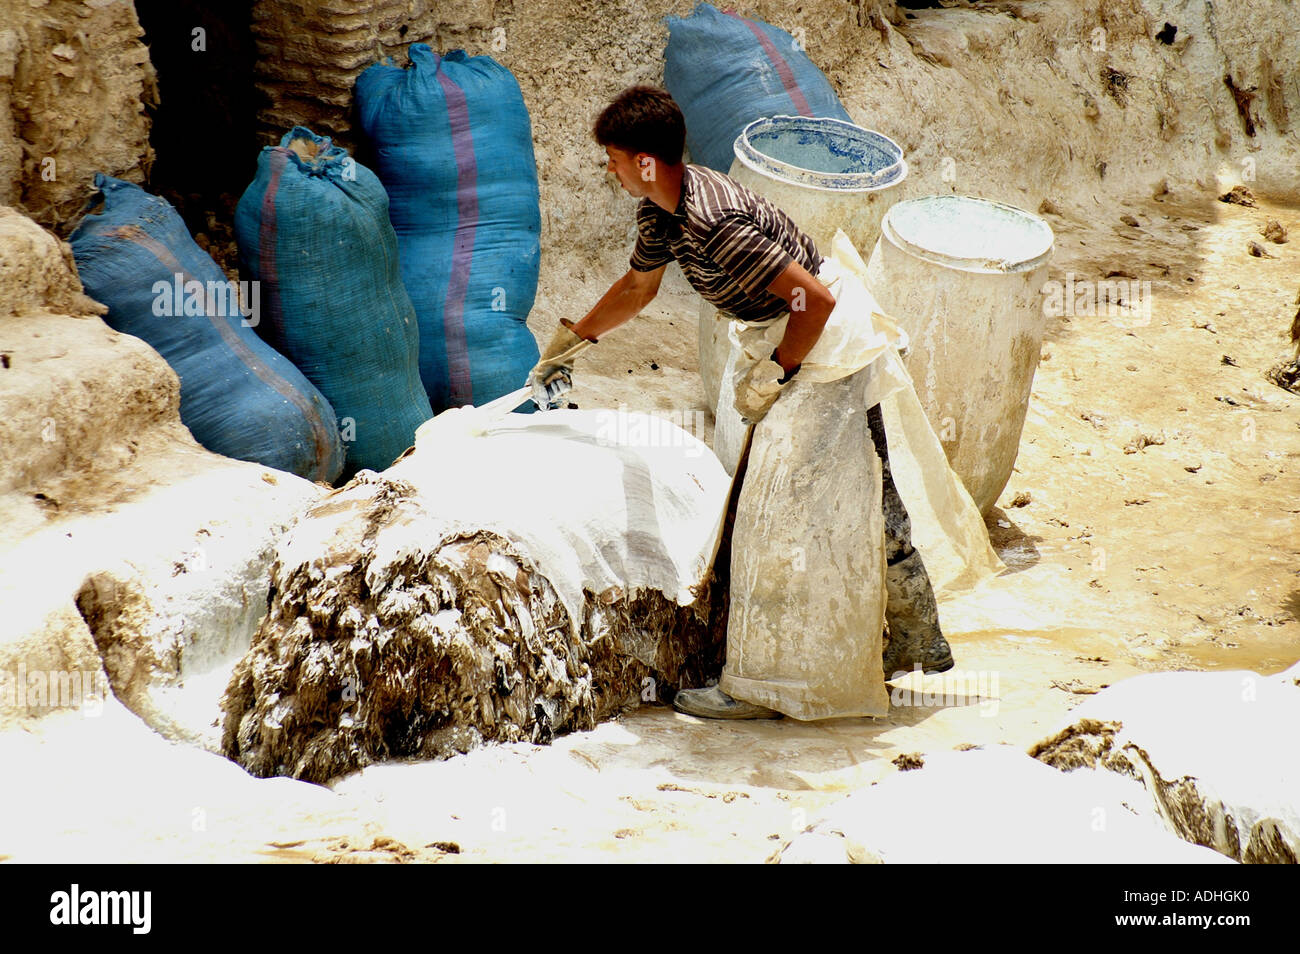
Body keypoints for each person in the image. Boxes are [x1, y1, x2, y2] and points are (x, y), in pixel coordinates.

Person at [528, 86, 952, 719]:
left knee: (778, 518)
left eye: (613, 157)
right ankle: (914, 642)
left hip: (819, 350)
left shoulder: (714, 224)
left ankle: (766, 686)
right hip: (794, 338)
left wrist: (778, 374)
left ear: (646, 162)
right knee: (861, 493)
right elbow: (640, 285)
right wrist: (575, 339)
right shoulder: (663, 212)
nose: (608, 169)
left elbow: (814, 300)